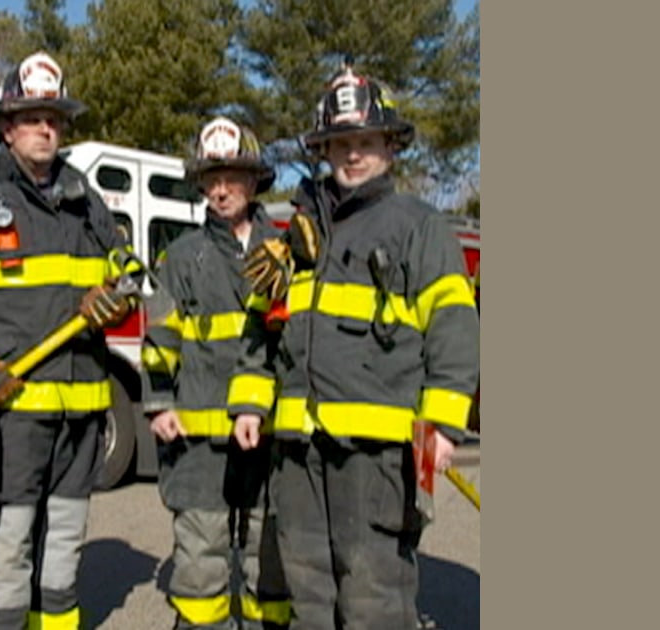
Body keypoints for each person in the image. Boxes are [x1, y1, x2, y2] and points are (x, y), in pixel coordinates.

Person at [230, 62, 480, 629]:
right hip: (298, 448)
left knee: (374, 594)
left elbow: (454, 323)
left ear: (391, 145)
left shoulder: (418, 227)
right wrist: (249, 402)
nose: (353, 153)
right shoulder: (294, 235)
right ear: (323, 148)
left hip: (378, 450)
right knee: (308, 591)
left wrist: (441, 422)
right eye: (341, 142)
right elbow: (259, 327)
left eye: (366, 140)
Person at [0, 51, 137, 630]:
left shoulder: (86, 198)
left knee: (65, 546)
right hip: (13, 412)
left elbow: (126, 264)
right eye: (31, 116)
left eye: (53, 116)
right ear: (6, 126)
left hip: (81, 411)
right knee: (8, 544)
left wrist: (121, 289)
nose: (45, 127)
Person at [142, 117, 292, 630]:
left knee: (268, 559)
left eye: (234, 176)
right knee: (200, 559)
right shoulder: (182, 257)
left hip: (271, 435)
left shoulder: (289, 255)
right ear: (201, 184)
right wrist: (159, 400)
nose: (223, 188)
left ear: (255, 182)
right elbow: (161, 337)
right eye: (212, 177)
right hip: (199, 438)